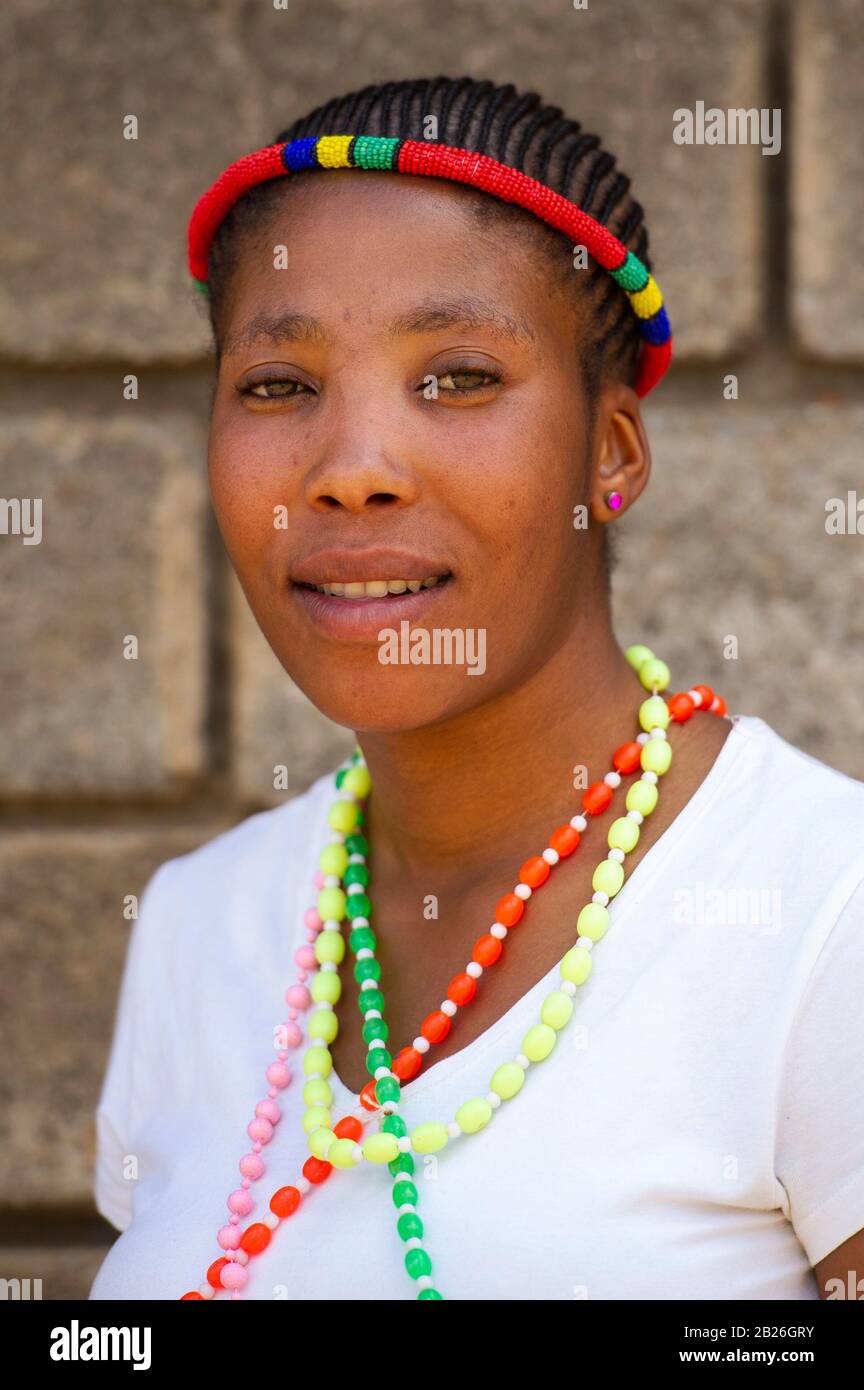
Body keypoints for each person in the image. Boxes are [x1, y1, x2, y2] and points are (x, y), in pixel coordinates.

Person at [89, 76, 864, 1302]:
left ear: (610, 453)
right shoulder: (197, 927)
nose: (350, 470)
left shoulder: (823, 914)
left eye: (456, 376)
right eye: (279, 385)